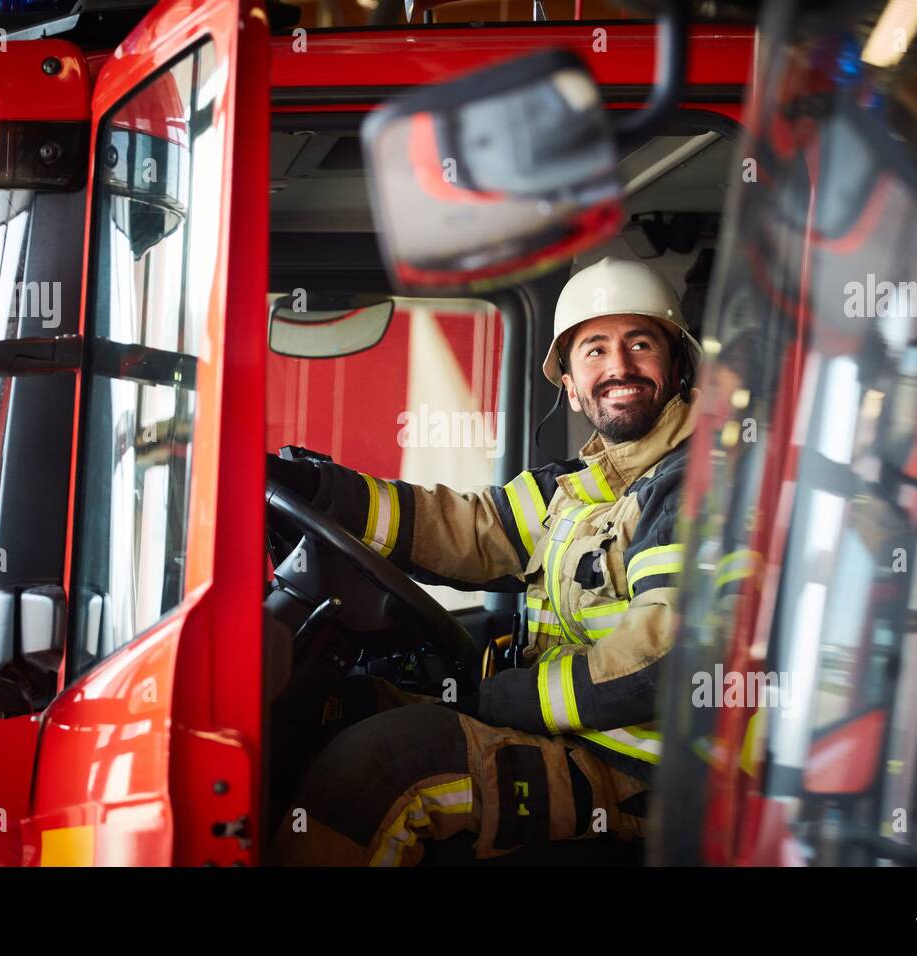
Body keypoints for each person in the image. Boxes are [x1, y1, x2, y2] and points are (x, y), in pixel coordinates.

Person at [267, 256, 703, 865]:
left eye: (640, 343)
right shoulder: (582, 487)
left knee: (378, 772)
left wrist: (508, 699)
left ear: (677, 366)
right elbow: (466, 528)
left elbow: (659, 659)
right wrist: (323, 492)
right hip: (575, 738)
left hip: (644, 779)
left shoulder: (701, 482)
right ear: (571, 385)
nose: (620, 367)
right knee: (346, 706)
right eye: (595, 351)